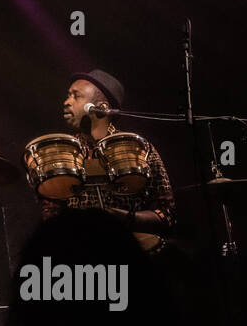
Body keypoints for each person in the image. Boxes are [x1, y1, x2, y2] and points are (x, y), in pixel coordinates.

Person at [43, 69, 175, 251]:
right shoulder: (64, 154)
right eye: (68, 96)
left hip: (132, 254)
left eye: (76, 96)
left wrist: (120, 218)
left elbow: (165, 215)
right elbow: (51, 218)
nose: (66, 102)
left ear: (102, 108)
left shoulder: (139, 149)